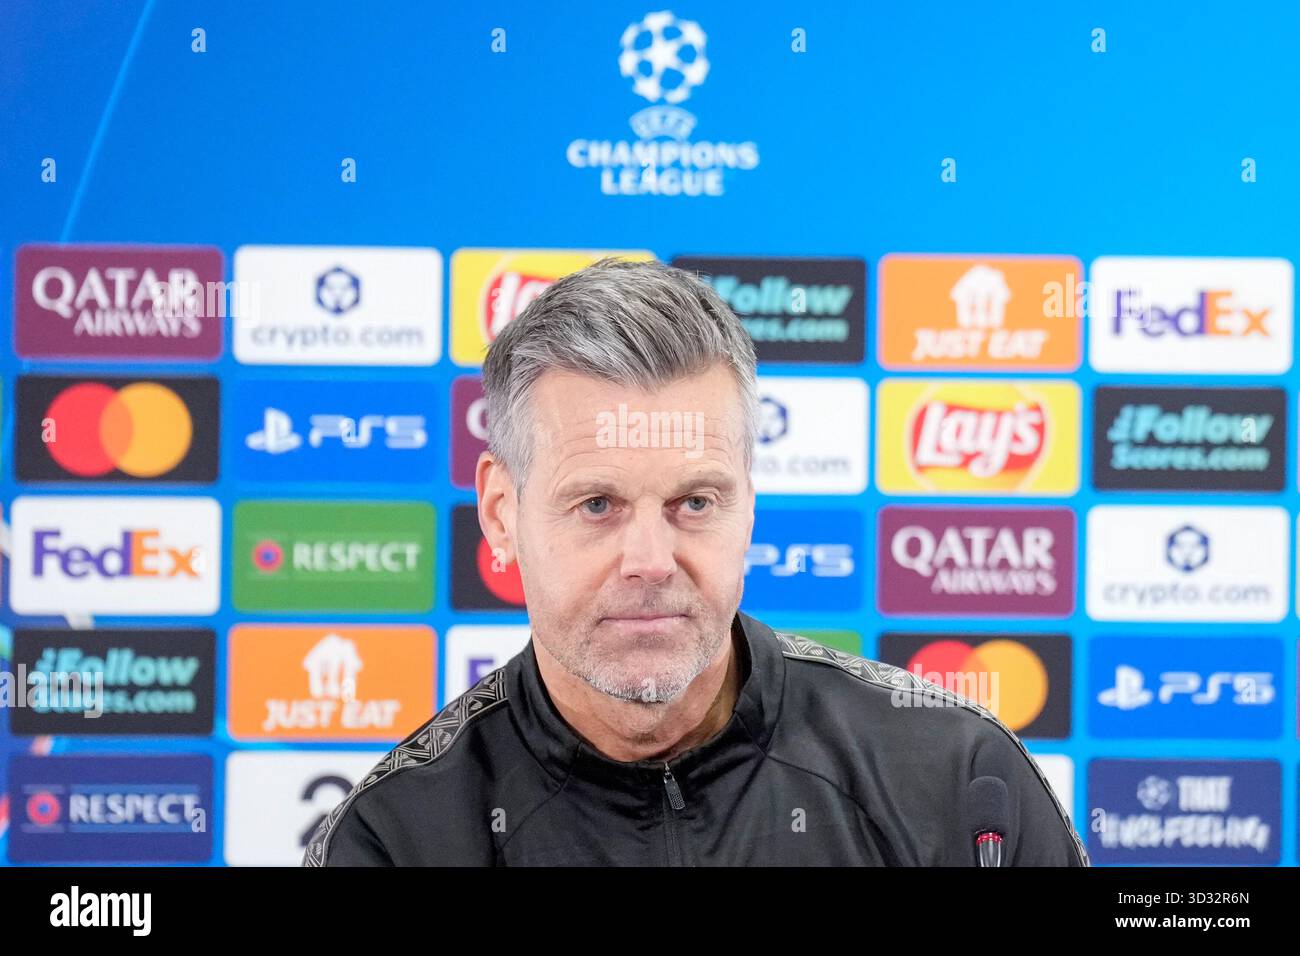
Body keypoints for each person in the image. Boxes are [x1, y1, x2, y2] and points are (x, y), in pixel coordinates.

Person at [302, 257, 1089, 866]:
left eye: (695, 503)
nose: (649, 562)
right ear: (502, 514)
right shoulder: (396, 836)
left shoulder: (956, 778)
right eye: (598, 505)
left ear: (748, 502)